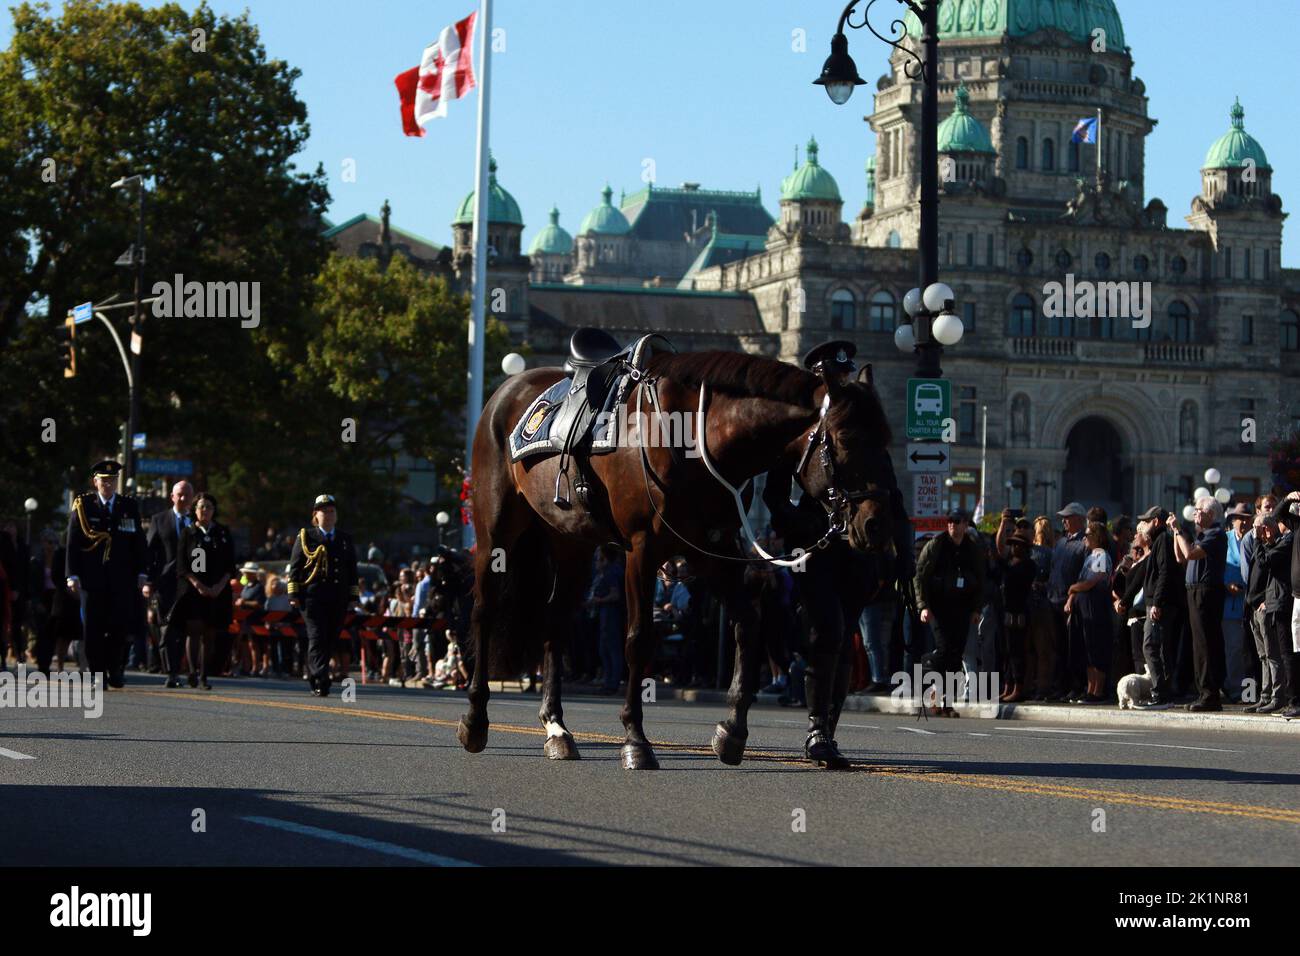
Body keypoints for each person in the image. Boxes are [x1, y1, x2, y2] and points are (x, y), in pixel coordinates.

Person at [65, 460, 148, 688]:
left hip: (121, 580)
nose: (108, 484)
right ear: (95, 482)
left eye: (112, 480)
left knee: (119, 627)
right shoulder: (84, 506)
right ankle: (96, 674)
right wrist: (72, 575)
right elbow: (73, 543)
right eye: (104, 480)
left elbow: (138, 542)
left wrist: (142, 572)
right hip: (92, 580)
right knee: (93, 628)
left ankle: (115, 669)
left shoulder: (128, 506)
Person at [914, 508, 986, 715]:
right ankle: (926, 668)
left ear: (966, 524)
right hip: (938, 607)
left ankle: (946, 702)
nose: (953, 525)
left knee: (956, 656)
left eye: (958, 521)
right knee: (944, 650)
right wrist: (923, 606)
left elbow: (981, 580)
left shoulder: (972, 549)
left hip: (962, 609)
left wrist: (976, 609)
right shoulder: (936, 545)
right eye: (951, 521)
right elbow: (920, 576)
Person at [287, 495, 360, 697]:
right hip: (312, 598)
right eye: (323, 511)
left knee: (330, 639)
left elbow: (352, 570)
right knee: (317, 636)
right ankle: (322, 677)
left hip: (338, 598)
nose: (328, 515)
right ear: (315, 515)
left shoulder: (345, 539)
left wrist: (353, 597)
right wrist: (293, 593)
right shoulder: (306, 537)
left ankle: (315, 675)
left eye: (331, 511)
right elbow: (295, 567)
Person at [171, 493, 236, 690]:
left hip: (217, 591)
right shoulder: (188, 533)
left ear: (214, 510)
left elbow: (230, 565)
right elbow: (182, 566)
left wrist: (218, 586)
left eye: (208, 507)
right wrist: (198, 585)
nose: (205, 511)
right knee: (194, 631)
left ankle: (204, 675)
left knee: (210, 634)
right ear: (195, 510)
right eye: (201, 507)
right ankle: (191, 671)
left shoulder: (222, 533)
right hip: (193, 591)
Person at [1169, 496, 1227, 711]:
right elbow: (1180, 557)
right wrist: (1177, 533)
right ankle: (1203, 691)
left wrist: (1179, 531)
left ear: (1210, 514)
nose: (1195, 513)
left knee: (1206, 643)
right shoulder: (1202, 535)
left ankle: (1210, 694)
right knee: (1197, 644)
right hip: (1194, 591)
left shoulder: (1216, 534)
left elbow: (1191, 553)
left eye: (1198, 509)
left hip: (1207, 592)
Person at [144, 481, 194, 687]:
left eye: (187, 495)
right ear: (172, 497)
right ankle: (171, 671)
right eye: (179, 495)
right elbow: (149, 552)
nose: (183, 499)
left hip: (190, 584)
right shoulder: (159, 520)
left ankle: (185, 670)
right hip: (165, 583)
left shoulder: (196, 521)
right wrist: (148, 580)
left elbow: (201, 553)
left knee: (183, 629)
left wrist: (199, 575)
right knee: (166, 629)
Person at [1065, 520, 1113, 702]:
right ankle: (1090, 688)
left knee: (1095, 647)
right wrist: (1073, 595)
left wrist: (1073, 588)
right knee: (1086, 647)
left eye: (1088, 534)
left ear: (1098, 537)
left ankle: (1098, 690)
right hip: (1084, 605)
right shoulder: (1090, 556)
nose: (1085, 537)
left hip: (1095, 605)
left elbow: (1095, 579)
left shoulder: (1100, 555)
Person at [1045, 502, 1088, 700]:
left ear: (1079, 519)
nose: (1064, 521)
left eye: (1068, 517)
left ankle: (1075, 686)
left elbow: (1083, 575)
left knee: (1072, 647)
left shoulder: (1084, 544)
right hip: (1053, 600)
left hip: (1070, 602)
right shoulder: (1061, 542)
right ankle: (1057, 688)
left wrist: (1072, 596)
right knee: (1056, 647)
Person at [997, 527, 1036, 702]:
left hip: (1019, 613)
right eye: (1013, 545)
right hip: (1006, 611)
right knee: (1006, 652)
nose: (1015, 548)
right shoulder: (1010, 564)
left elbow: (1016, 578)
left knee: (1017, 652)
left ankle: (1018, 687)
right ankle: (1008, 686)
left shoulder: (1028, 565)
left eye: (1019, 545)